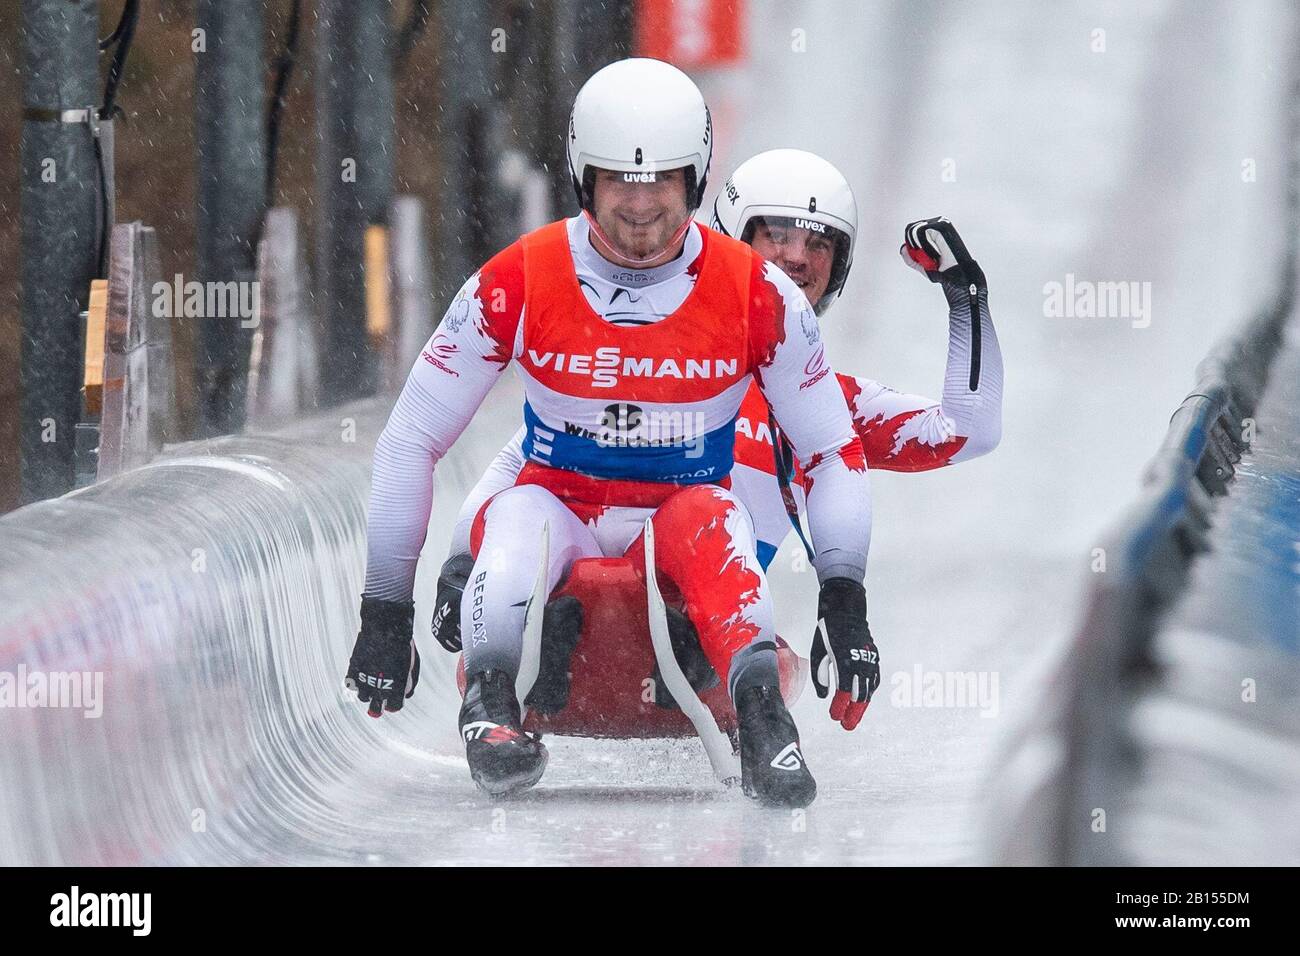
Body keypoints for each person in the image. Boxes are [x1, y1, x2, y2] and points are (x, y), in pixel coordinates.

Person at [344, 60, 878, 809]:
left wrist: (844, 601)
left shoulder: (760, 295)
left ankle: (761, 714)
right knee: (520, 515)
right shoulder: (519, 278)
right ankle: (491, 703)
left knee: (712, 516)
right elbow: (411, 439)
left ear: (693, 180)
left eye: (660, 181)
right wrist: (386, 608)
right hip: (556, 517)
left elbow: (831, 451)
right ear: (581, 178)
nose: (639, 206)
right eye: (617, 181)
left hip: (683, 531)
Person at [428, 148, 1003, 754]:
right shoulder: (647, 356)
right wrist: (461, 567)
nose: (797, 258)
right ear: (733, 240)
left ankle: (704, 670)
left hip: (701, 640)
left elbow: (967, 429)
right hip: (576, 620)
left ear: (838, 268)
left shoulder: (829, 407)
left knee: (723, 593)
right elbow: (525, 466)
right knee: (566, 540)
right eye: (776, 235)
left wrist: (965, 295)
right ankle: (530, 669)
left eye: (819, 246)